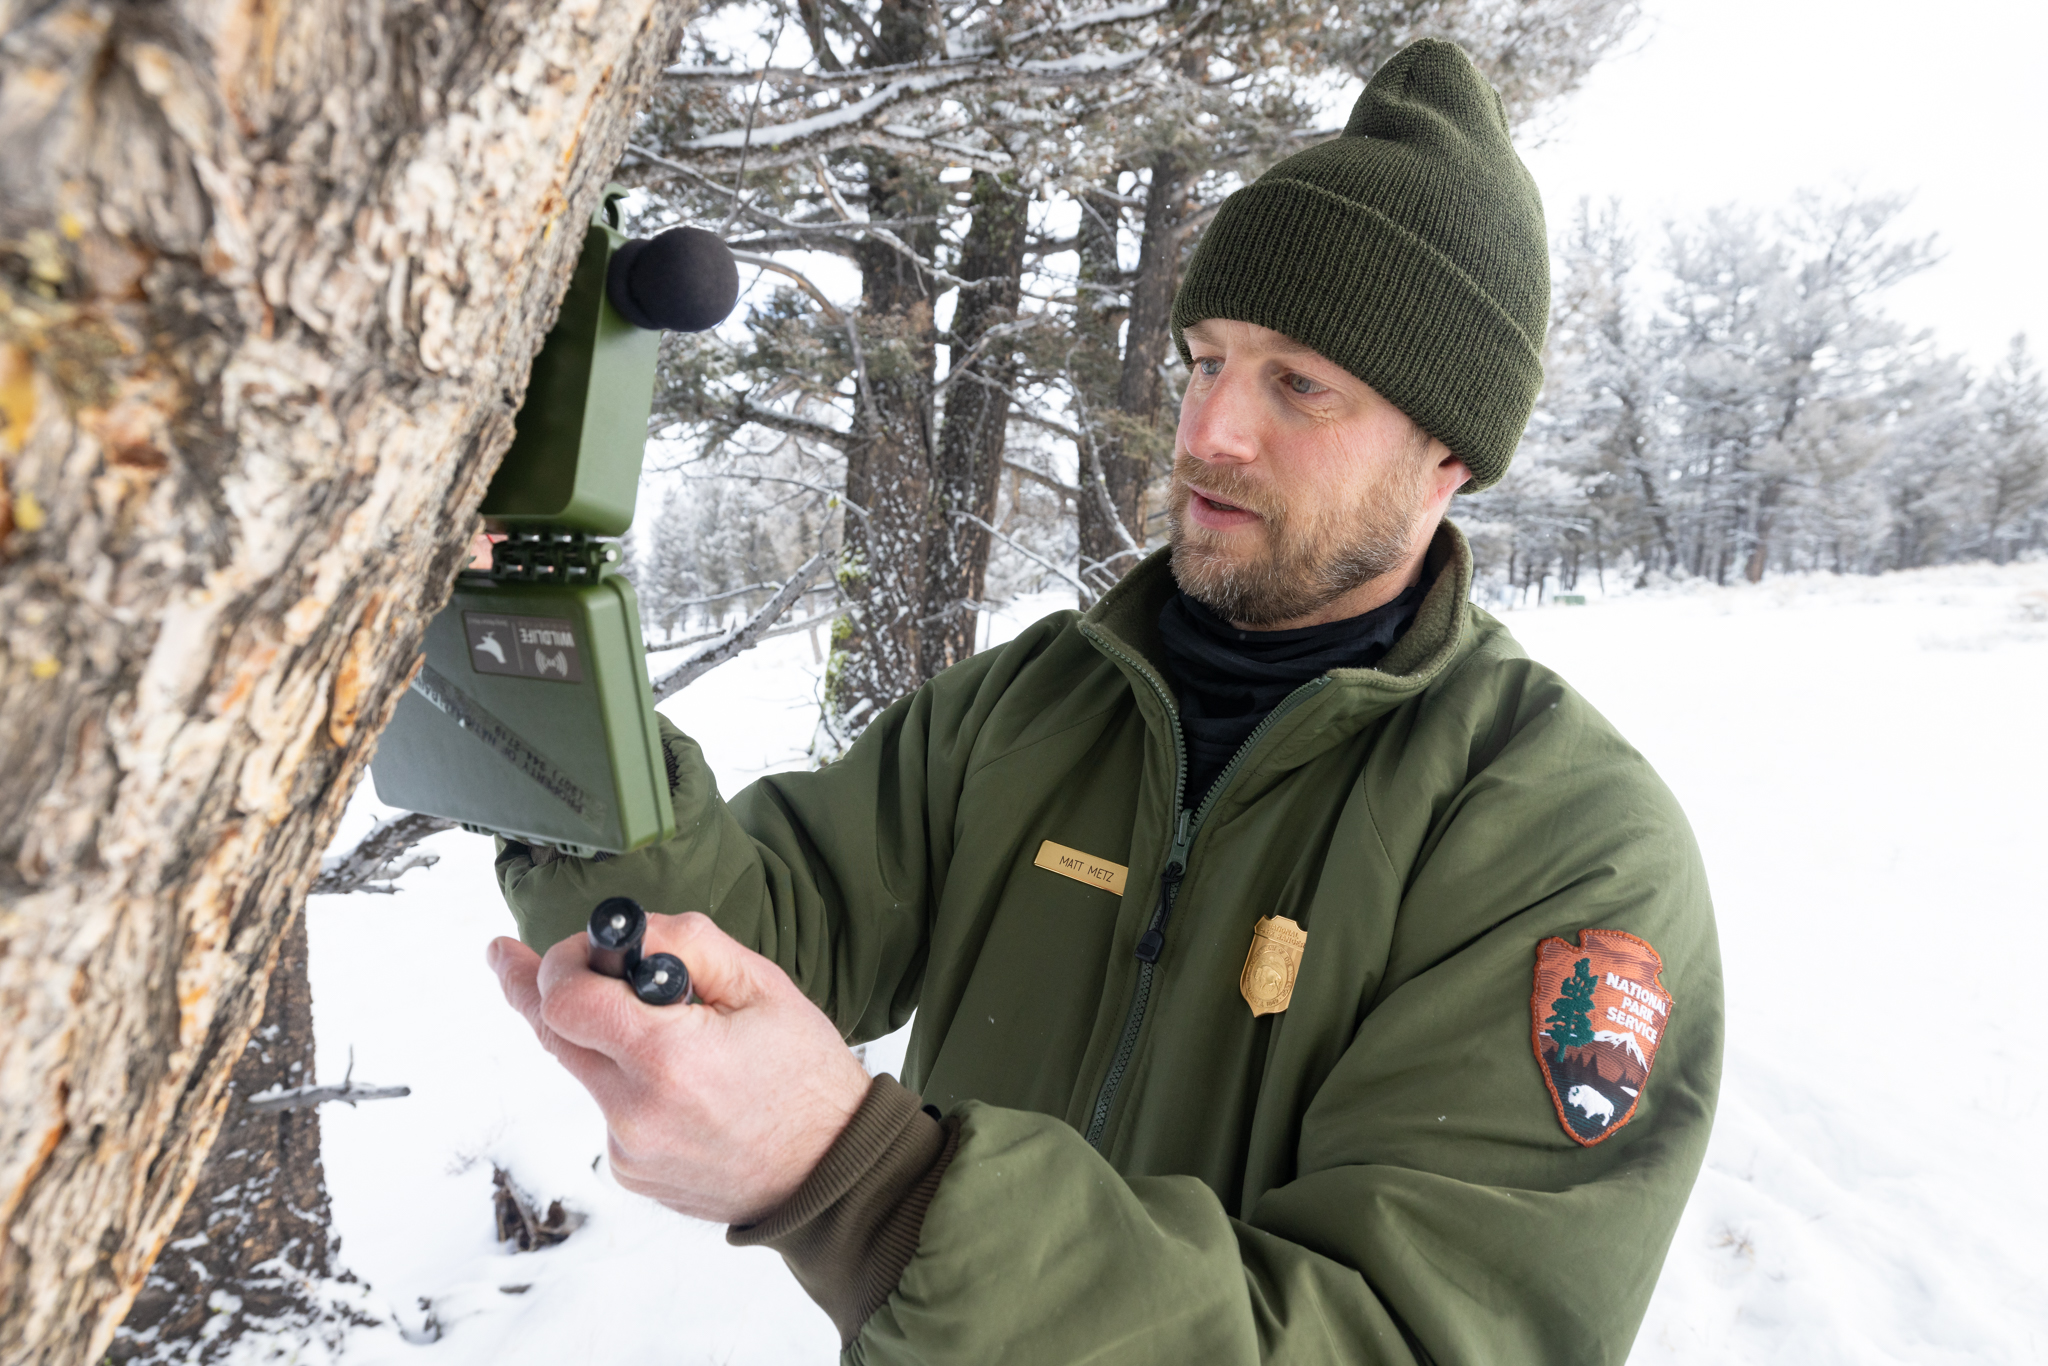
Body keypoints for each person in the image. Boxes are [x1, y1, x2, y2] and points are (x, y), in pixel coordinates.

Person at [487, 38, 1721, 1365]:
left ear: (1447, 455)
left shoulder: (1562, 842)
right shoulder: (1039, 701)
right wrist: (536, 660)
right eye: (1204, 360)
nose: (1208, 433)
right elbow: (754, 931)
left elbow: (1405, 1335)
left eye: (1297, 383)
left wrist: (876, 1184)